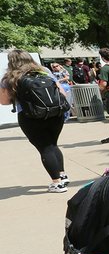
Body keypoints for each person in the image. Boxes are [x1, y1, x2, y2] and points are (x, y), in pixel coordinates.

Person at [0, 50, 71, 193]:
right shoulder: (44, 71)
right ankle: (62, 175)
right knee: (52, 145)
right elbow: (62, 92)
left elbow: (4, 101)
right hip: (55, 114)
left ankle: (57, 183)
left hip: (30, 116)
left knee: (45, 148)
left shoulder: (10, 77)